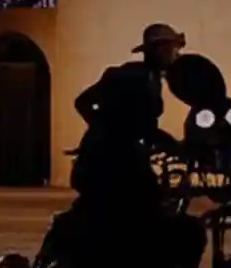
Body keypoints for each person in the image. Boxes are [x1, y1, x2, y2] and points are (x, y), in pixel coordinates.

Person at [50, 23, 204, 267]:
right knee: (150, 209)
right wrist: (111, 130)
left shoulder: (146, 78)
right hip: (113, 163)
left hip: (115, 154)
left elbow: (130, 122)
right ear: (159, 49)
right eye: (172, 48)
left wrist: (105, 127)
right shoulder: (131, 76)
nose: (176, 54)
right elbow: (130, 120)